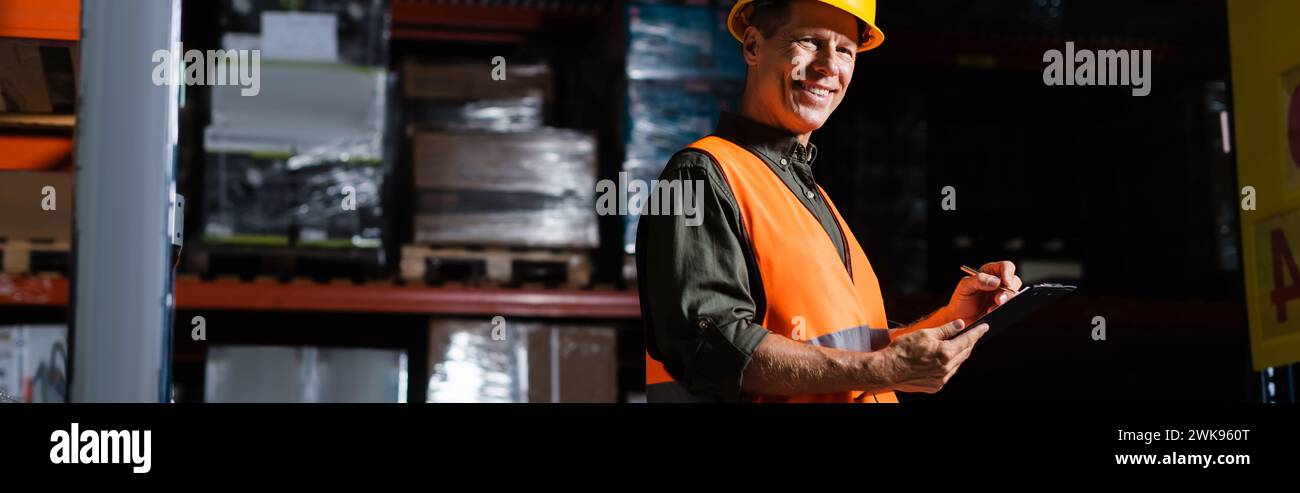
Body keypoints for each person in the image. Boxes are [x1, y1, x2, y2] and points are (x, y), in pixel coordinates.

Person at [639, 0, 1023, 402]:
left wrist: (954, 318)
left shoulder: (808, 194)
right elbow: (710, 347)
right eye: (809, 41)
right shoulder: (701, 176)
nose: (829, 67)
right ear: (752, 45)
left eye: (845, 51)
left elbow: (855, 352)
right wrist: (885, 369)